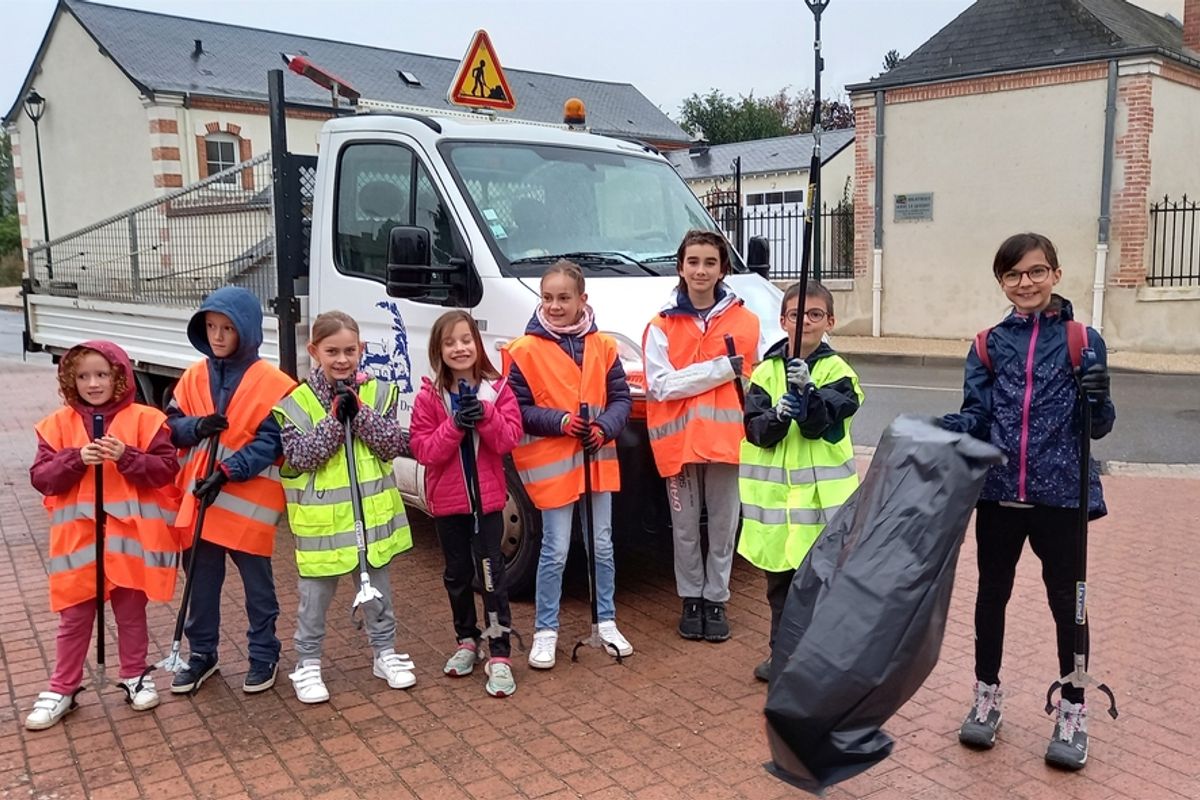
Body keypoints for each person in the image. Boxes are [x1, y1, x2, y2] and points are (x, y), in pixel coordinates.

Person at [941, 232, 1116, 770]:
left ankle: (1073, 710)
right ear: (1002, 282)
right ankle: (987, 696)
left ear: (1056, 275)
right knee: (990, 598)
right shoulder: (987, 344)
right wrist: (950, 430)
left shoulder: (1083, 340)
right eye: (1014, 275)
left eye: (1036, 272)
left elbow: (1101, 427)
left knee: (1069, 607)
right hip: (997, 497)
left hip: (1060, 498)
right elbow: (977, 415)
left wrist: (1097, 393)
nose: (1026, 283)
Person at [26, 341, 180, 729]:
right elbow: (41, 478)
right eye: (82, 376)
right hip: (79, 543)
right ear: (69, 380)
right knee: (74, 617)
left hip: (128, 542)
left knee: (131, 613)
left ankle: (134, 675)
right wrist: (75, 459)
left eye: (101, 375)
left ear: (119, 377)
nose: (93, 383)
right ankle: (63, 687)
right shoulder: (56, 425)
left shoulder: (147, 420)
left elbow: (165, 470)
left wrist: (126, 456)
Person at [273, 311, 415, 703]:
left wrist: (360, 412)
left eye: (349, 351)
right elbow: (301, 457)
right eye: (332, 351)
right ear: (313, 351)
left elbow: (391, 445)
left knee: (378, 594)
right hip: (322, 527)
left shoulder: (379, 392)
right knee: (314, 600)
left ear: (361, 350)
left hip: (371, 522)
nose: (341, 359)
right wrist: (335, 420)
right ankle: (307, 663)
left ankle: (384, 653)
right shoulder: (296, 403)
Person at [166, 287, 296, 695]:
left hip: (246, 506)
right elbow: (169, 426)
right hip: (200, 503)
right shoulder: (193, 376)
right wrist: (195, 427)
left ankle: (264, 653)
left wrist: (227, 471)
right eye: (211, 327)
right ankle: (202, 654)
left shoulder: (275, 383)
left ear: (248, 330)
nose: (218, 336)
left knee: (258, 589)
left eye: (227, 328)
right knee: (200, 586)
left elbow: (273, 441)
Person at [505, 260, 633, 669]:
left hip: (596, 458)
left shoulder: (604, 346)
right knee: (555, 549)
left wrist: (604, 428)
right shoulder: (523, 350)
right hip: (553, 464)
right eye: (547, 298)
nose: (555, 306)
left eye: (563, 298)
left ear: (582, 300)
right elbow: (517, 409)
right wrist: (559, 421)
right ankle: (546, 630)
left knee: (602, 545)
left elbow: (621, 399)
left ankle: (606, 620)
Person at [738, 282, 863, 682]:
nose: (804, 321)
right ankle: (782, 655)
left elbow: (821, 426)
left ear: (830, 321)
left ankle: (820, 660)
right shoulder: (765, 372)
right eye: (796, 314)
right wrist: (776, 415)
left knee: (822, 589)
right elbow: (756, 431)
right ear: (782, 320)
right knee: (781, 589)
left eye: (814, 315)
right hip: (776, 511)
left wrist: (809, 395)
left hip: (821, 511)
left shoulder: (839, 373)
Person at [643, 229, 761, 642]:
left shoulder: (746, 322)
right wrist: (719, 369)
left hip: (728, 443)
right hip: (678, 443)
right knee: (685, 528)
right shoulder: (659, 325)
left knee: (726, 525)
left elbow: (750, 377)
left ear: (723, 269)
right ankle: (690, 598)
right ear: (680, 267)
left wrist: (718, 372)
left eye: (710, 262)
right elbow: (660, 386)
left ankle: (717, 599)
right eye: (693, 261)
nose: (701, 270)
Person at [410, 310, 523, 697]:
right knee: (457, 575)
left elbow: (509, 439)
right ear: (438, 350)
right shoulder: (429, 396)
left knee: (492, 576)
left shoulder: (497, 389)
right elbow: (424, 450)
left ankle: (500, 652)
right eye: (449, 342)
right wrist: (456, 423)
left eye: (466, 340)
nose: (459, 348)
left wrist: (486, 415)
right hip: (448, 504)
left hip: (487, 504)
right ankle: (467, 640)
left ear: (477, 344)